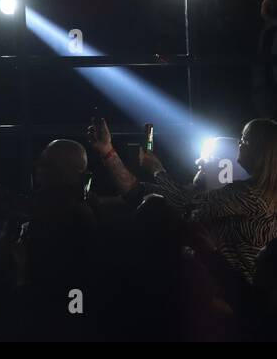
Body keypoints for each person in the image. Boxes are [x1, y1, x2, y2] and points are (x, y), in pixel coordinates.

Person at [90, 117, 277, 283]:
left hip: (233, 301)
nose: (199, 162)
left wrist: (157, 171)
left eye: (245, 140)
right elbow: (136, 191)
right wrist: (107, 151)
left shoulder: (246, 196)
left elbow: (182, 205)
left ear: (260, 153)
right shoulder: (250, 195)